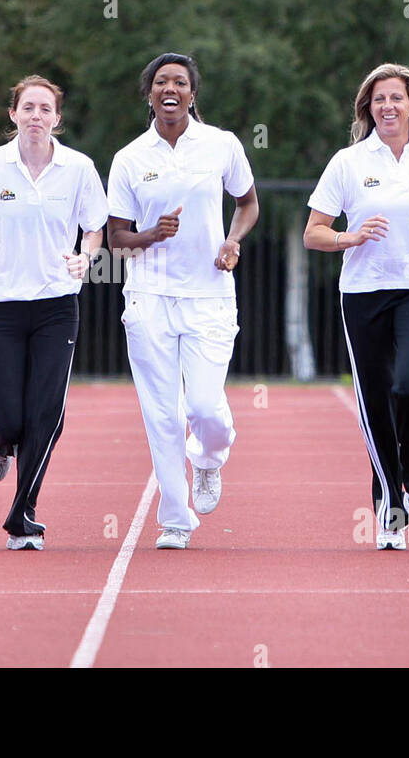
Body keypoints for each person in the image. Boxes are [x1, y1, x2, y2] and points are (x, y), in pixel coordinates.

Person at [303, 63, 409, 550]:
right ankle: (389, 508)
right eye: (379, 99)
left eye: (396, 98)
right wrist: (348, 237)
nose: (388, 106)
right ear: (368, 108)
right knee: (374, 401)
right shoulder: (348, 162)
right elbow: (313, 233)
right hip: (363, 292)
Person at [105, 52, 259, 550]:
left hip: (209, 295)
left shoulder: (221, 145)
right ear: (149, 93)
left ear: (193, 93)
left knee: (205, 408)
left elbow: (248, 203)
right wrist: (151, 234)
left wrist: (232, 242)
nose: (170, 89)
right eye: (160, 82)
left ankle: (209, 460)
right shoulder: (130, 157)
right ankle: (174, 517)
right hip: (149, 297)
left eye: (180, 82)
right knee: (162, 414)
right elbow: (116, 240)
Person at [0, 75, 108, 551]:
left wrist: (85, 257)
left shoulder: (79, 168)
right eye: (28, 108)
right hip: (1, 305)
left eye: (45, 109)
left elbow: (95, 228)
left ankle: (23, 516)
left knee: (47, 411)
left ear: (57, 118)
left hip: (56, 306)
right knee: (8, 414)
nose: (36, 117)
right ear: (13, 115)